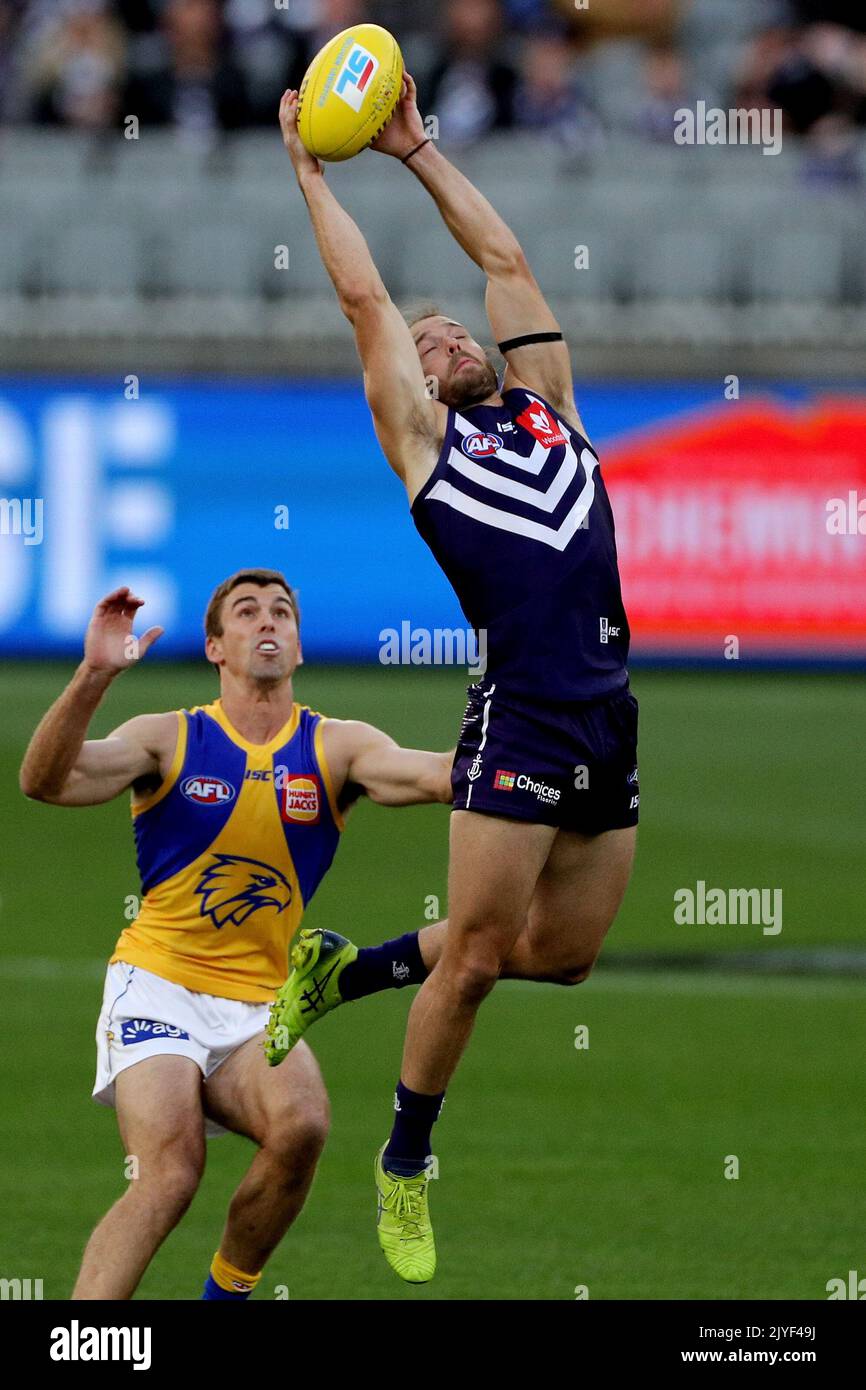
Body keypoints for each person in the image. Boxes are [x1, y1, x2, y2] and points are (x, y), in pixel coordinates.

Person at [271, 77, 639, 1285]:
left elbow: (504, 256)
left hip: (606, 715)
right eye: (429, 345)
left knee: (565, 954)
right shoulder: (427, 454)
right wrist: (315, 175)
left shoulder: (553, 413)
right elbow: (363, 298)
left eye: (456, 332)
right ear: (414, 386)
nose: (448, 340)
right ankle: (404, 1163)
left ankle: (350, 967)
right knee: (478, 956)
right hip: (522, 713)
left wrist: (416, 151)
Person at [18, 569, 452, 1300]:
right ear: (217, 647)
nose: (267, 622)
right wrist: (94, 676)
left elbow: (439, 775)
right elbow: (46, 782)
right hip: (156, 983)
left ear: (300, 648)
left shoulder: (336, 748)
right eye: (247, 613)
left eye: (282, 611)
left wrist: (523, 734)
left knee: (304, 1126)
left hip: (257, 1005)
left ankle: (224, 1296)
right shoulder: (169, 737)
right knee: (171, 1172)